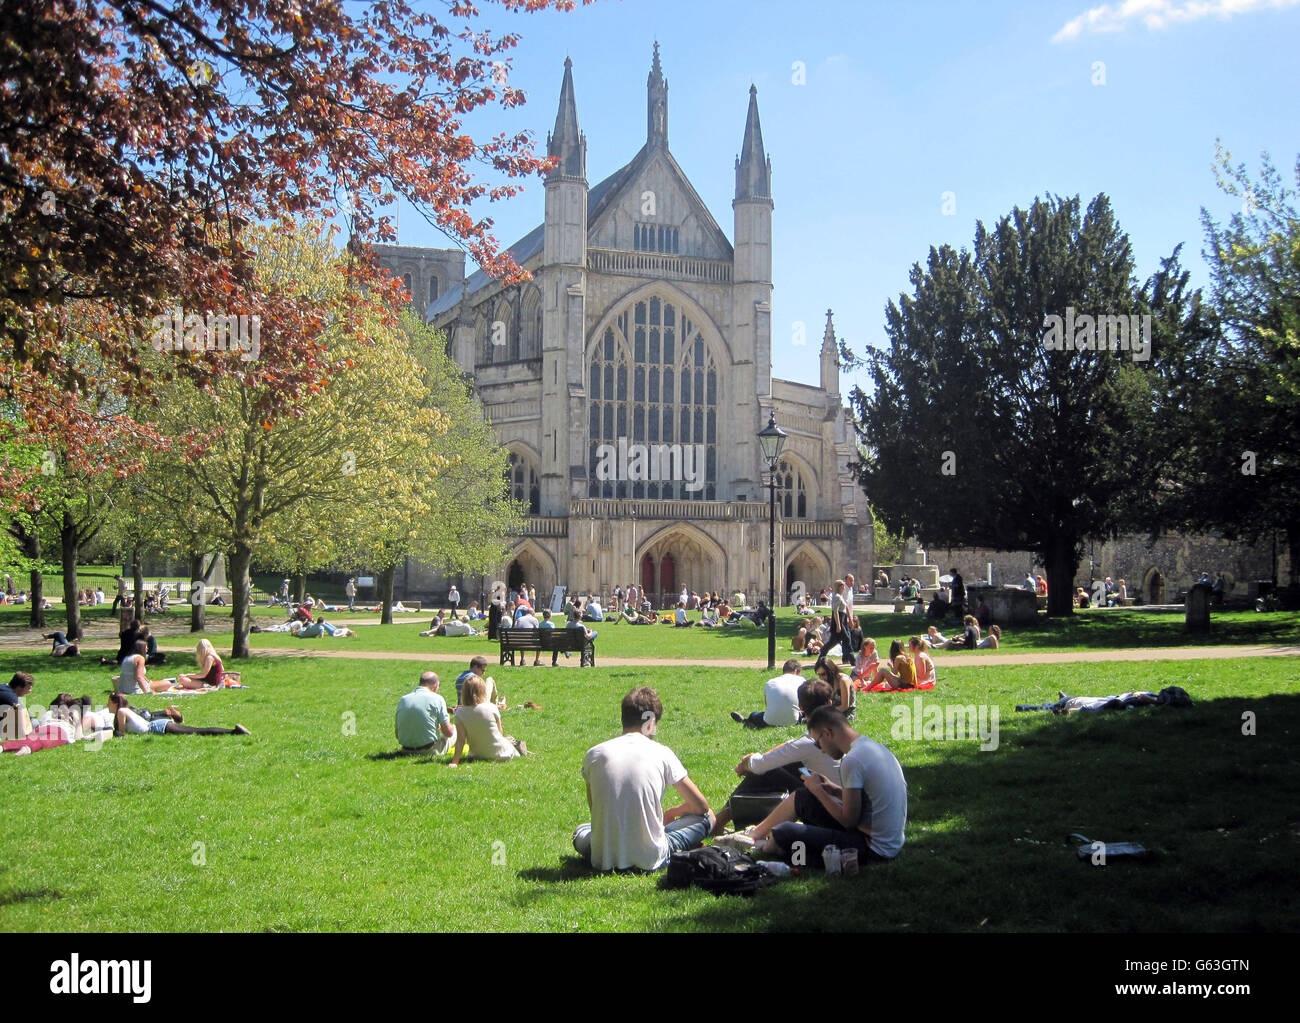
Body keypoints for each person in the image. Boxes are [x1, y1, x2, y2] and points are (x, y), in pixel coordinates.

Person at [572, 686, 713, 871]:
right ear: (650, 722)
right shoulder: (662, 752)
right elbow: (700, 806)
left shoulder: (595, 753)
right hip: (651, 858)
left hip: (602, 857)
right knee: (708, 816)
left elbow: (595, 810)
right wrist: (673, 812)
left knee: (581, 831)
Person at [746, 706, 907, 869]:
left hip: (871, 849)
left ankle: (771, 847)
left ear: (828, 733)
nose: (821, 750)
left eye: (818, 744)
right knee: (802, 797)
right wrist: (832, 789)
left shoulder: (852, 761)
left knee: (785, 832)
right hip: (889, 842)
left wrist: (819, 791)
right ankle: (759, 837)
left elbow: (848, 820)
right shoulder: (872, 748)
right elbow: (866, 801)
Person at [712, 679, 839, 836]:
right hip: (844, 807)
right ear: (830, 702)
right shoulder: (836, 732)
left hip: (831, 816)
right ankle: (729, 819)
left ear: (800, 708)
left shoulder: (809, 743)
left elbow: (761, 765)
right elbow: (790, 746)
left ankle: (723, 821)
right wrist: (755, 759)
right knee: (783, 765)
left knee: (768, 770)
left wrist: (746, 764)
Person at [449, 676, 527, 765]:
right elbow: (500, 732)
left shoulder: (459, 713)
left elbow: (461, 740)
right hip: (501, 754)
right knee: (508, 741)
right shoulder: (491, 707)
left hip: (476, 755)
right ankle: (514, 742)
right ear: (482, 692)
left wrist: (455, 762)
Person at [108, 692, 249, 737]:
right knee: (196, 731)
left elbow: (121, 735)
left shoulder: (121, 712)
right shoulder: (125, 710)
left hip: (157, 727)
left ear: (115, 704)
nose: (107, 705)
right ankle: (233, 732)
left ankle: (234, 732)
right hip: (158, 726)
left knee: (196, 731)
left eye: (109, 702)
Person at [730, 659, 804, 729]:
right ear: (796, 671)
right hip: (794, 721)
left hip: (769, 720)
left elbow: (767, 705)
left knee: (754, 715)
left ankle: (745, 721)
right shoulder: (801, 680)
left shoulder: (770, 682)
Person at [395, 671, 455, 754]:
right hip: (429, 750)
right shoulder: (437, 699)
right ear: (436, 686)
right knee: (456, 729)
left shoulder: (403, 699)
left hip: (406, 750)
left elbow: (397, 735)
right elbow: (449, 733)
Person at [825, 579, 854, 668]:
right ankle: (854, 661)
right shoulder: (836, 596)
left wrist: (850, 619)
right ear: (838, 587)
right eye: (842, 586)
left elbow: (846, 608)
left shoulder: (840, 596)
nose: (844, 587)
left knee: (836, 641)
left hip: (843, 620)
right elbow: (835, 612)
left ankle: (846, 659)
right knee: (847, 640)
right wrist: (838, 625)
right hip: (839, 621)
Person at [0, 672, 35, 741]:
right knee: (34, 722)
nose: (30, 691)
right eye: (28, 688)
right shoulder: (11, 697)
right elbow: (22, 711)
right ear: (19, 687)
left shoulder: (3, 687)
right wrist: (26, 733)